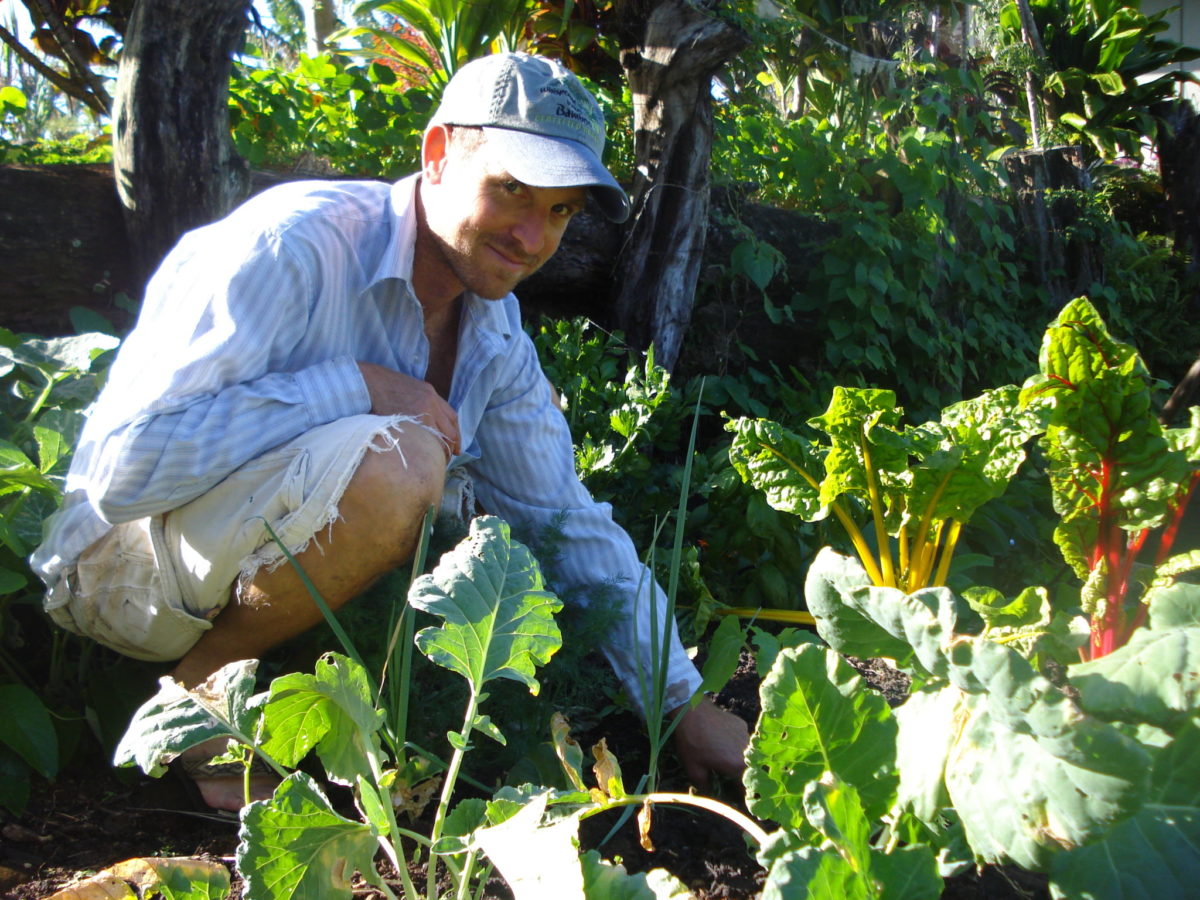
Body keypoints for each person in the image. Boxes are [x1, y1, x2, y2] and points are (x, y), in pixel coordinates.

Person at [32, 52, 749, 811]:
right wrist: (360, 385)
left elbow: (564, 519)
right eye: (513, 189)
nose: (533, 236)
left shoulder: (494, 333)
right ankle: (201, 706)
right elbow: (122, 475)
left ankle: (277, 698)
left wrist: (682, 704)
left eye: (561, 211)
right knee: (406, 463)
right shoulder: (293, 246)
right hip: (122, 571)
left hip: (245, 570)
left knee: (457, 504)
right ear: (438, 154)